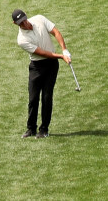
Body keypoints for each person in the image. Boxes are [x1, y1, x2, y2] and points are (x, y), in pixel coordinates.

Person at [12, 9, 70, 138]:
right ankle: (31, 128)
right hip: (36, 67)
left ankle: (44, 129)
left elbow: (55, 32)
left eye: (25, 20)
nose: (25, 24)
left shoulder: (39, 18)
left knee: (46, 97)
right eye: (21, 23)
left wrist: (64, 50)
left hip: (51, 65)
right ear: (15, 24)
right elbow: (42, 53)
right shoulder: (22, 39)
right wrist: (61, 56)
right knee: (33, 98)